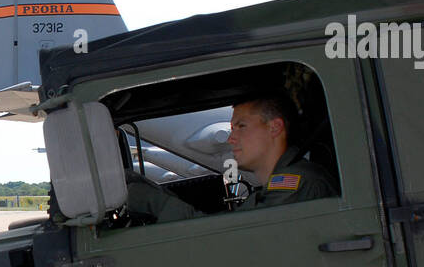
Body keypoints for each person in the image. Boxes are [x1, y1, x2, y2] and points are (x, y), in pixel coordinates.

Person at [125, 95, 337, 221]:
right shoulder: (280, 185)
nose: (232, 138)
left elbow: (237, 243)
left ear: (274, 128)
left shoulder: (296, 184)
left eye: (241, 127)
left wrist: (154, 202)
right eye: (232, 129)